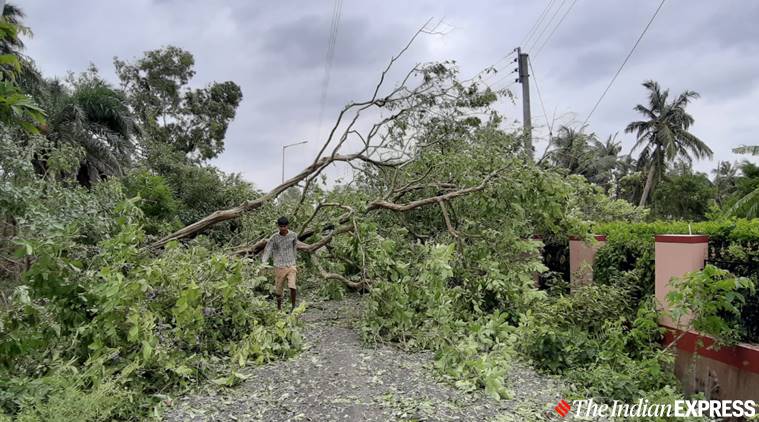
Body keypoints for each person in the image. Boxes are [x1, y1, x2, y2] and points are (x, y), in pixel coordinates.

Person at [261, 216, 300, 311]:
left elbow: (295, 247)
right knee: (278, 290)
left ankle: (293, 307)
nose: (283, 228)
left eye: (285, 226)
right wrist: (263, 263)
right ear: (278, 226)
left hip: (291, 264)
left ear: (288, 226)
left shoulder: (293, 235)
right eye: (281, 226)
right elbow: (268, 250)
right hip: (279, 266)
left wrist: (294, 259)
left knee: (292, 286)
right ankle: (279, 308)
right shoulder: (274, 238)